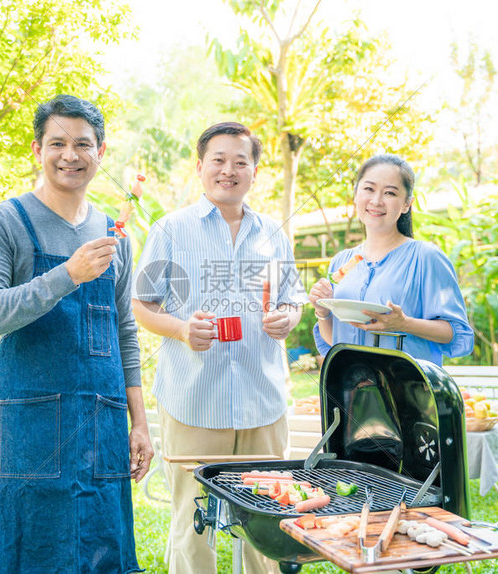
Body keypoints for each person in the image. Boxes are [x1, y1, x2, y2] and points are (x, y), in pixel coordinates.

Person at [0, 94, 152, 574]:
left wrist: (140, 421)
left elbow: (124, 330)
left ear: (101, 152)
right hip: (32, 427)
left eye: (82, 144)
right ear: (37, 149)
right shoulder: (3, 222)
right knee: (32, 548)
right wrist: (67, 274)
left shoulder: (115, 234)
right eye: (57, 143)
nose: (70, 155)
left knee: (103, 545)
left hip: (103, 424)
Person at [132, 122, 305, 574]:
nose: (228, 170)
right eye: (219, 160)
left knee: (268, 519)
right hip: (194, 400)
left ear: (253, 172)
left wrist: (288, 317)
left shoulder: (273, 234)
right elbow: (141, 306)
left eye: (240, 161)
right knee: (194, 523)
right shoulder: (170, 230)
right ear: (200, 167)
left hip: (262, 401)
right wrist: (181, 329)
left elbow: (293, 300)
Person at [308, 154, 473, 365]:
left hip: (407, 391)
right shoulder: (341, 262)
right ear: (356, 195)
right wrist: (322, 312)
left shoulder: (426, 258)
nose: (376, 201)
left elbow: (458, 336)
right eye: (369, 189)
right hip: (350, 390)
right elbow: (336, 341)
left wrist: (404, 323)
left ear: (406, 204)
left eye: (390, 193)